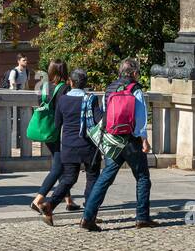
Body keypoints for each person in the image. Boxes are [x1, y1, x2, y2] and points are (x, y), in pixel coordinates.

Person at [80, 58, 152, 232]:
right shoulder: (136, 89)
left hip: (113, 139)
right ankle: (142, 217)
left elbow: (106, 114)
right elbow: (141, 117)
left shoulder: (110, 88)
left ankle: (88, 217)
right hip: (131, 141)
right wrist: (144, 139)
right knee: (142, 178)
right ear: (134, 73)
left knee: (105, 178)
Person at [37, 68, 99, 225]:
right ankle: (88, 215)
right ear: (85, 84)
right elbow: (98, 120)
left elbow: (58, 123)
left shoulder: (63, 100)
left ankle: (49, 204)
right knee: (92, 178)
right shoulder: (91, 99)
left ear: (71, 82)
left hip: (69, 145)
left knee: (69, 179)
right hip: (88, 145)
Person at [30, 60, 79, 216]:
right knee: (58, 167)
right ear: (65, 71)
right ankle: (38, 200)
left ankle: (69, 201)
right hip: (58, 131)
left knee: (61, 164)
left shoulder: (43, 86)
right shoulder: (64, 88)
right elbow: (65, 110)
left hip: (46, 130)